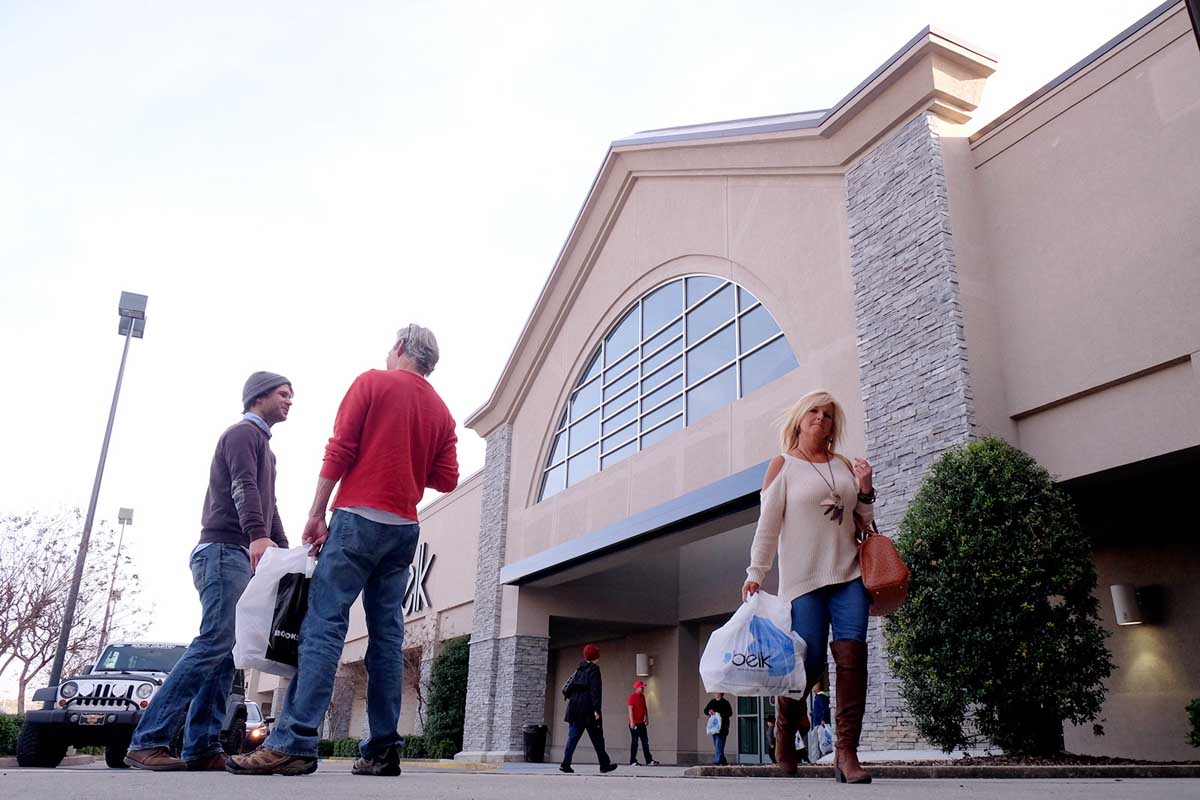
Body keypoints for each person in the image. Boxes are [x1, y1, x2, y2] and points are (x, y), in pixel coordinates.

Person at [228, 326, 458, 777]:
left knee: (323, 628)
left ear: (399, 349)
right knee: (388, 638)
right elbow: (447, 478)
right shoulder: (442, 412)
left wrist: (317, 512)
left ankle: (294, 742)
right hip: (404, 529)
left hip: (356, 520)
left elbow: (340, 450)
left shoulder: (372, 382)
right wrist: (405, 465)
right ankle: (382, 750)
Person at [125, 373, 294, 771]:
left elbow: (270, 505)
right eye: (283, 394)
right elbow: (243, 486)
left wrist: (286, 554)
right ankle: (147, 740)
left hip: (239, 551)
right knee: (214, 641)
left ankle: (201, 746)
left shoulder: (267, 451)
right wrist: (256, 535)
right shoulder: (241, 435)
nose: (290, 401)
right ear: (258, 398)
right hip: (222, 550)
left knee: (225, 655)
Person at [742, 389, 876, 784]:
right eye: (814, 411)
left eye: (829, 414)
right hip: (803, 580)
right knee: (809, 661)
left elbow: (863, 520)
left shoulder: (844, 464)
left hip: (848, 574)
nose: (821, 418)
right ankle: (785, 733)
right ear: (800, 419)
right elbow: (767, 527)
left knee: (853, 656)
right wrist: (756, 572)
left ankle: (846, 753)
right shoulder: (782, 466)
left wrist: (865, 488)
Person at [560, 644, 617, 774]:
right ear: (595, 657)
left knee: (572, 738)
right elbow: (595, 690)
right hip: (588, 710)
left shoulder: (579, 669)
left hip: (574, 708)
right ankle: (604, 765)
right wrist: (596, 709)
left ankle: (565, 764)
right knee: (597, 738)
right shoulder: (594, 670)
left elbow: (568, 689)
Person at [627, 680, 659, 766]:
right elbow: (630, 710)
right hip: (634, 723)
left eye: (643, 687)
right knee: (635, 742)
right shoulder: (632, 697)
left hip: (641, 723)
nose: (643, 688)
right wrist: (632, 721)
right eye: (641, 687)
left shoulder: (642, 697)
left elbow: (645, 708)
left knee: (645, 742)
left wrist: (646, 717)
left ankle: (649, 760)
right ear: (637, 688)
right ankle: (632, 760)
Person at [703, 692, 732, 766]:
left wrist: (719, 714)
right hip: (714, 727)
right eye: (715, 693)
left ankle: (717, 761)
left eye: (717, 693)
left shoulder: (725, 703)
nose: (715, 694)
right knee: (717, 745)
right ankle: (723, 761)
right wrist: (710, 712)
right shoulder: (712, 702)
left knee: (719, 743)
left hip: (723, 727)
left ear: (721, 694)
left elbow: (729, 713)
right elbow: (706, 710)